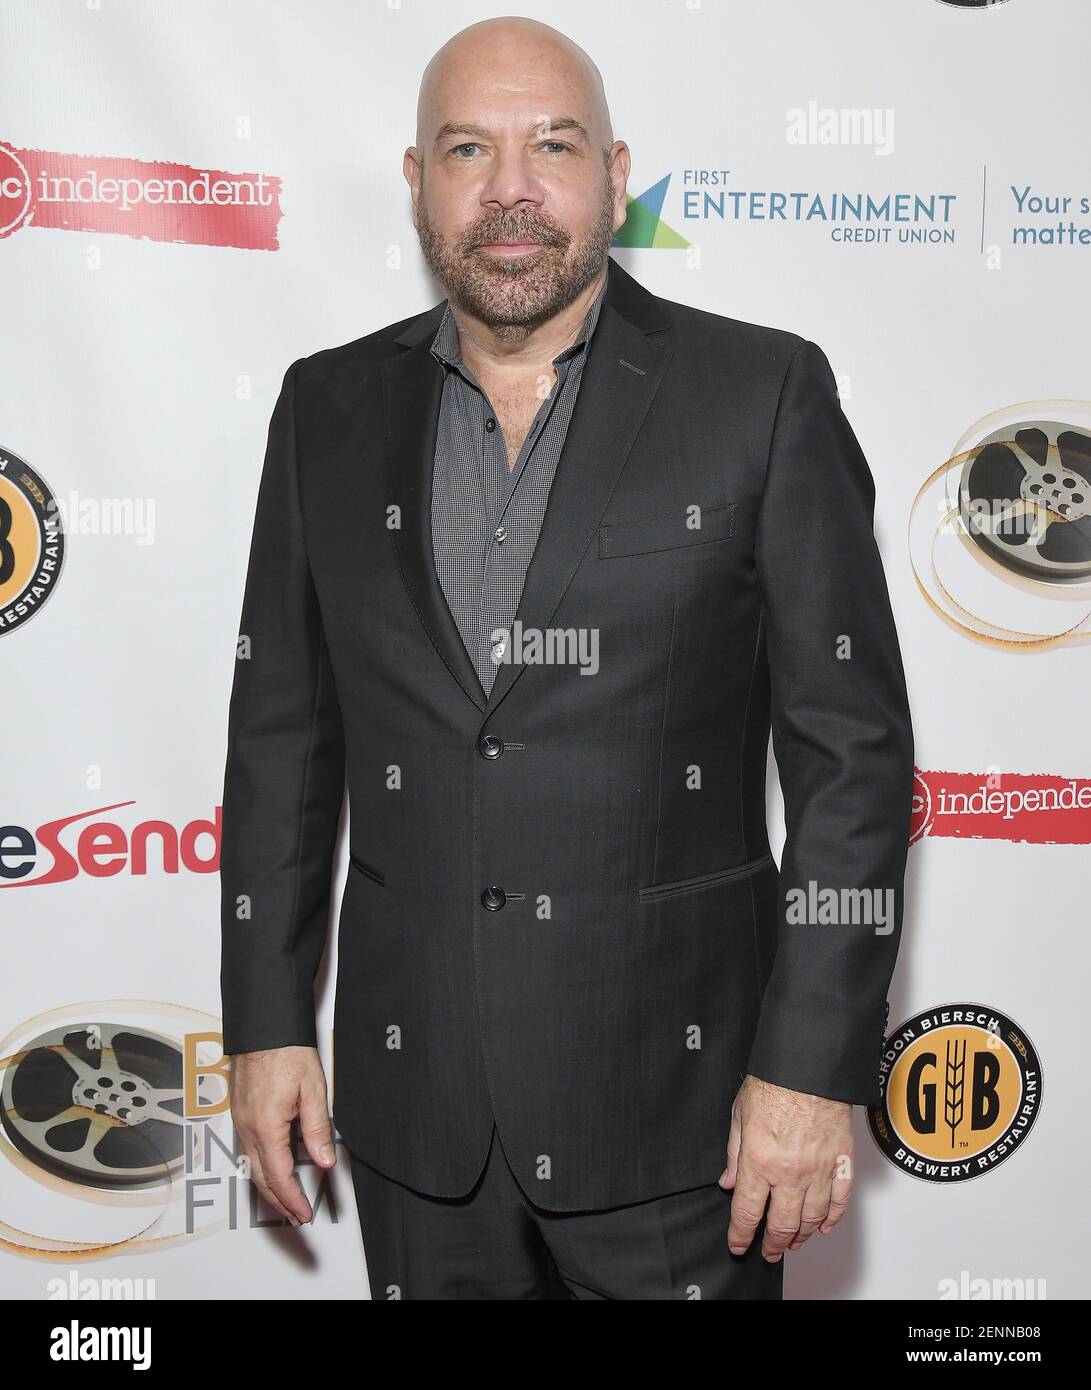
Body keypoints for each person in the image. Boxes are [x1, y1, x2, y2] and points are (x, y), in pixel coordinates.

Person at [219, 15, 915, 1300]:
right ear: (416, 180)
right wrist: (264, 1024)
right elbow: (280, 744)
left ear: (614, 172)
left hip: (686, 1119)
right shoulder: (323, 407)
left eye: (553, 144)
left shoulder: (761, 394)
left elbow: (853, 764)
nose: (509, 190)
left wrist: (812, 1066)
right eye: (466, 149)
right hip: (416, 1110)